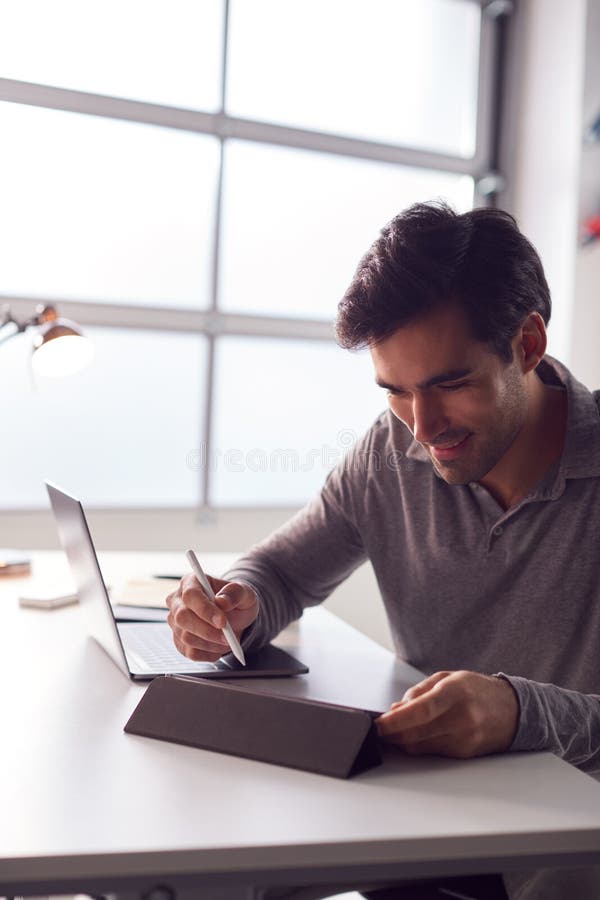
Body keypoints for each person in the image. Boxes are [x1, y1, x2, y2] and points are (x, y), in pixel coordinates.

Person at [166, 202, 600, 900]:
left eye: (448, 384)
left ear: (527, 343)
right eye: (395, 391)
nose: (423, 428)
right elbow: (280, 570)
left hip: (562, 865)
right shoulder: (390, 451)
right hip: (416, 833)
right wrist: (237, 604)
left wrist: (520, 715)